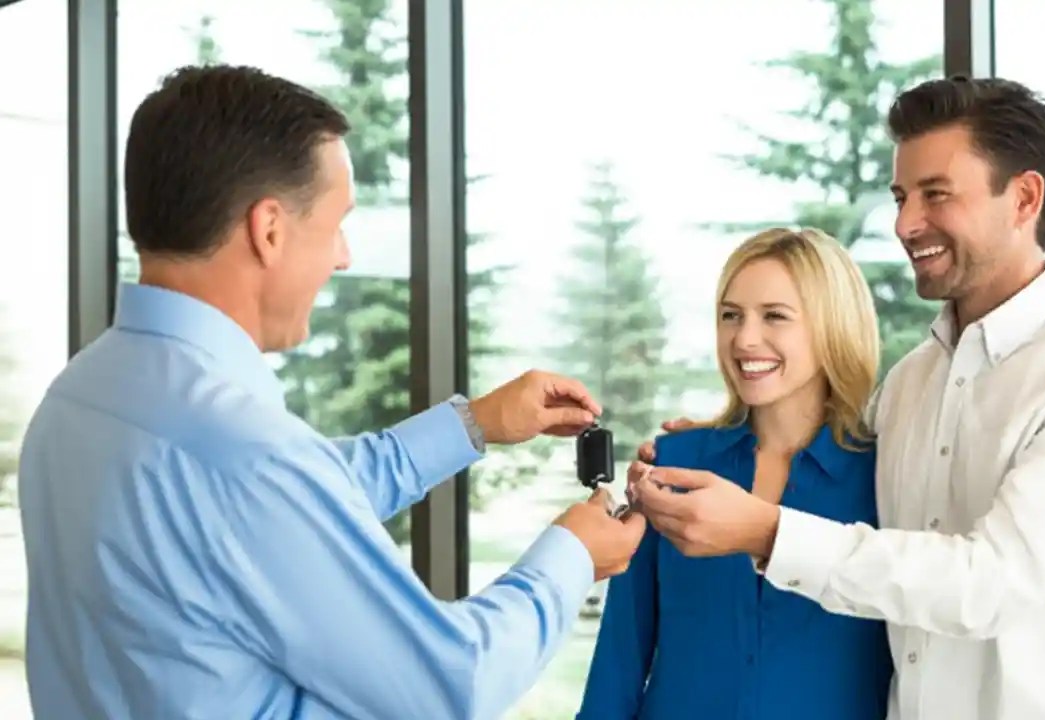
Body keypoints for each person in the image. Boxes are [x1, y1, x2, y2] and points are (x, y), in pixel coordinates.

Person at [19, 64, 646, 720]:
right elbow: (453, 684)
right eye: (337, 222)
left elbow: (292, 503)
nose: (343, 256)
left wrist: (475, 424)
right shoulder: (245, 454)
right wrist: (571, 556)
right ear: (270, 230)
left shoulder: (79, 398)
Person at [629, 76, 1045, 720]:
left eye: (936, 195)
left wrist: (765, 531)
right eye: (901, 196)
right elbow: (822, 456)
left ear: (1024, 198)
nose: (904, 224)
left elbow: (990, 584)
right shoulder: (908, 385)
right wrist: (719, 441)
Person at [576, 228, 893, 719]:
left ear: (832, 327)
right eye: (731, 315)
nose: (744, 339)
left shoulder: (886, 477)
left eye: (775, 316)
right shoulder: (673, 463)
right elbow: (620, 656)